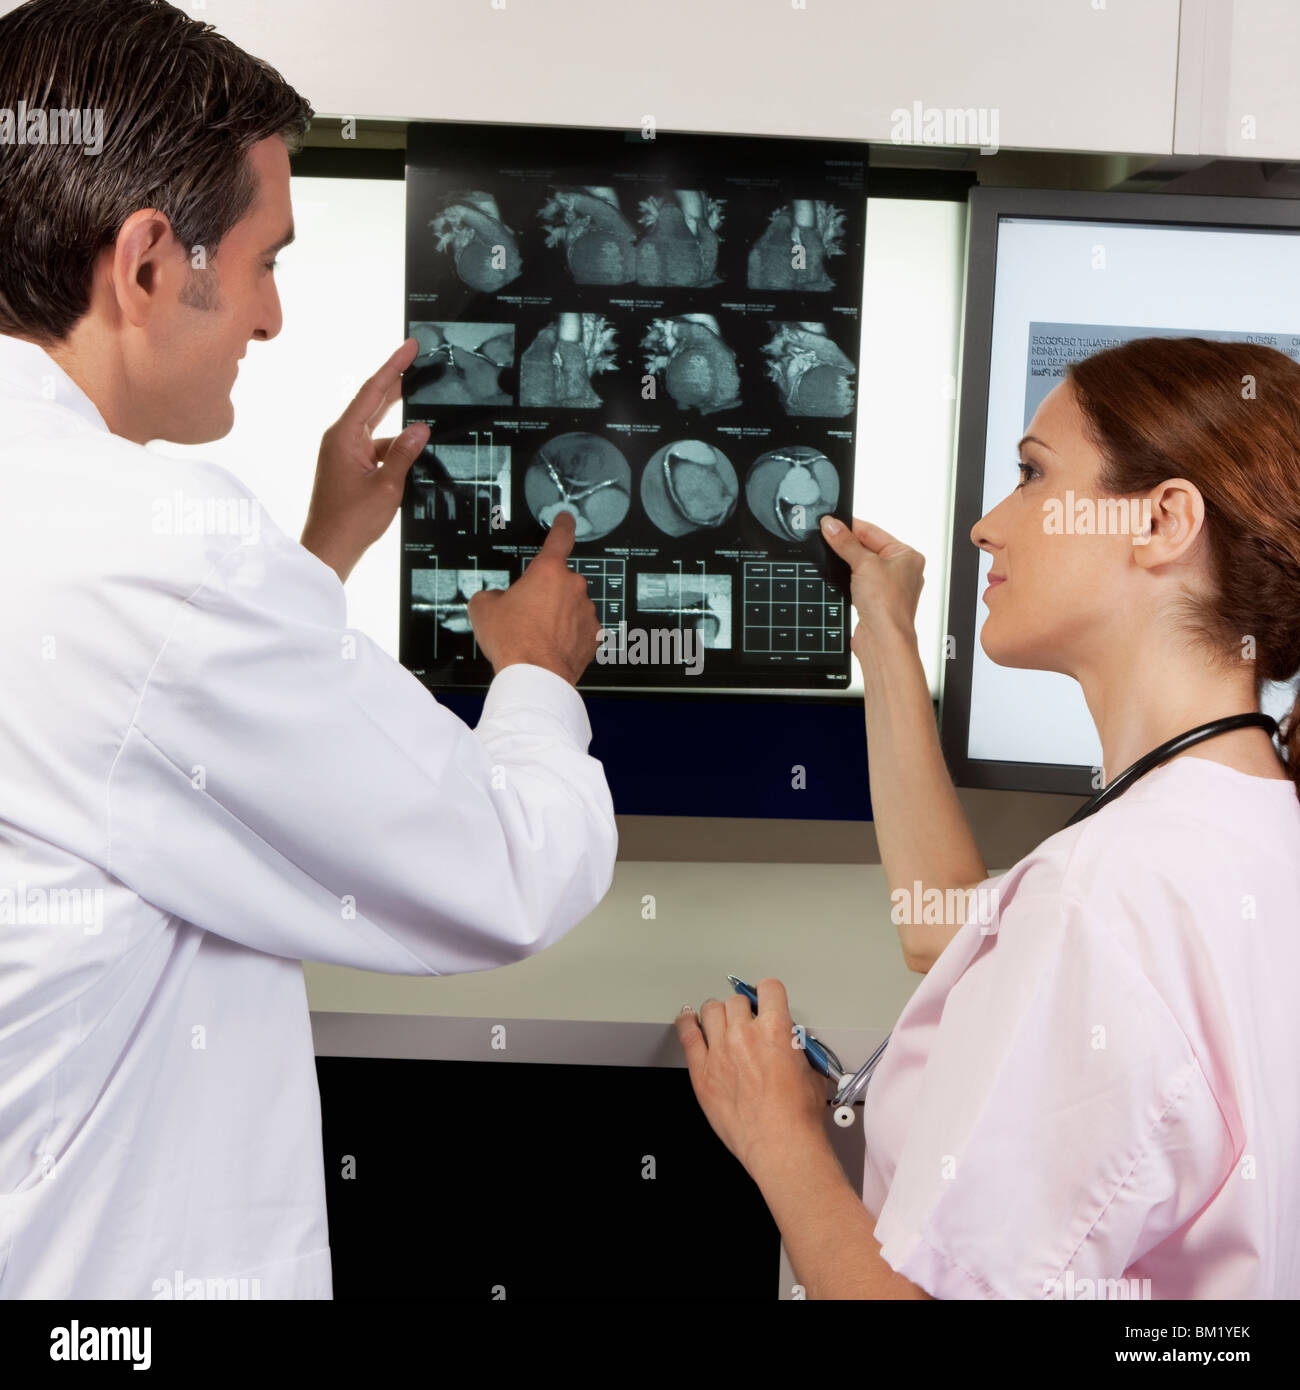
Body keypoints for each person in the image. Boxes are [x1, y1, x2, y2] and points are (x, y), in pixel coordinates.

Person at [0, 0, 615, 1297]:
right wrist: (536, 677)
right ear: (151, 262)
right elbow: (506, 874)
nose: (273, 317)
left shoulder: (89, 538)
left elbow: (132, 741)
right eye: (267, 259)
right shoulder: (154, 555)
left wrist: (312, 561)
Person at [678, 335, 1300, 1299]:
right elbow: (951, 931)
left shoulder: (1108, 893)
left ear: (1164, 520)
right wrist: (886, 635)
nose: (984, 527)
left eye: (1031, 475)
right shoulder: (1245, 824)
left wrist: (778, 1136)